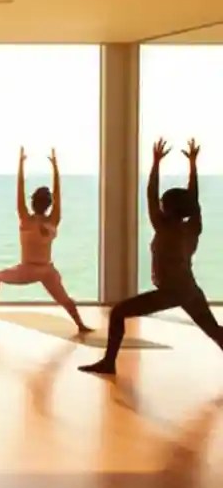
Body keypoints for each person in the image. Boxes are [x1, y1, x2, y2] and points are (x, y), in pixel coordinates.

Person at [80, 138, 223, 374]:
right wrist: (192, 165)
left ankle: (108, 363)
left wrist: (156, 164)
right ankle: (108, 363)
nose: (159, 205)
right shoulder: (192, 227)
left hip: (171, 292)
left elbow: (150, 195)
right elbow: (193, 201)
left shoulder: (165, 227)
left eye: (163, 203)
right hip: (189, 290)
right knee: (215, 331)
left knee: (118, 313)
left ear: (169, 209)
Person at [0, 148, 92, 333]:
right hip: (47, 270)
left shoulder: (25, 219)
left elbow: (20, 190)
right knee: (65, 300)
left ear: (33, 203)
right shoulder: (53, 220)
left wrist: (21, 164)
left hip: (27, 270)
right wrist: (55, 168)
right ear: (48, 204)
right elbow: (58, 196)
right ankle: (80, 325)